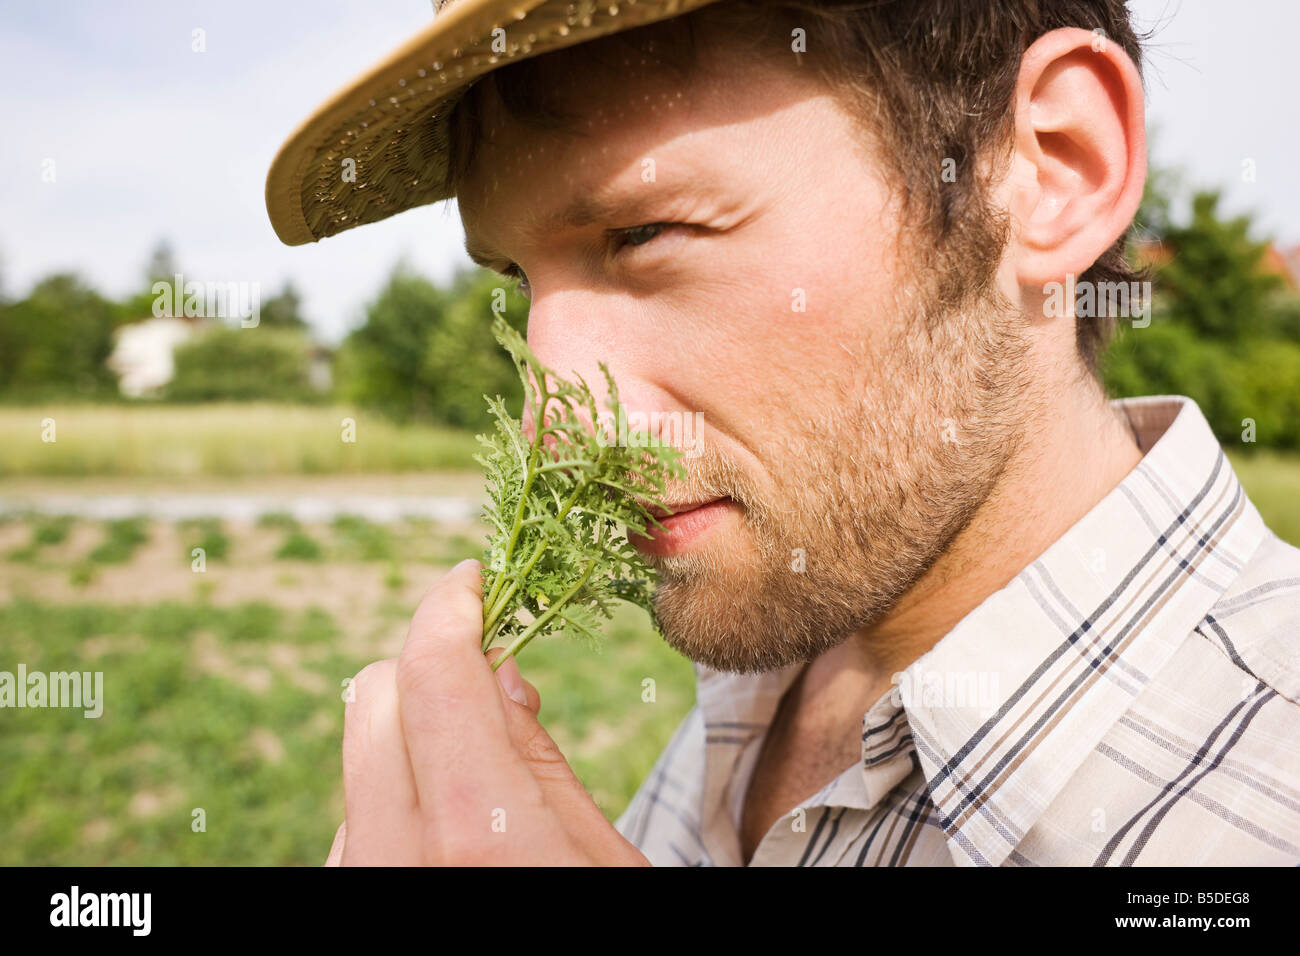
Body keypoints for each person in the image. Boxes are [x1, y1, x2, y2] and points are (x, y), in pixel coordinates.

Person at [268, 0, 1300, 866]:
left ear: (1049, 170)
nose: (551, 432)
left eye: (640, 233)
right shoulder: (779, 657)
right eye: (517, 279)